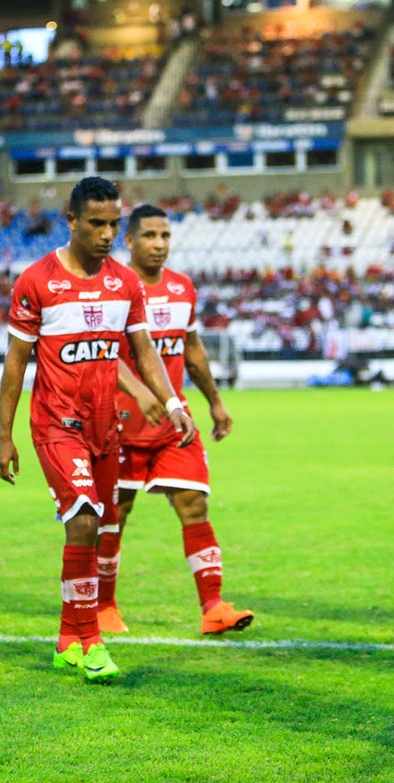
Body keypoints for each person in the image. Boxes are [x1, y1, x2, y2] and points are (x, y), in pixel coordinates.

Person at [0, 176, 196, 684]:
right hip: (57, 425)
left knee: (98, 529)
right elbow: (16, 363)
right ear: (71, 221)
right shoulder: (38, 280)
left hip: (108, 429)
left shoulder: (124, 283)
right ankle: (92, 641)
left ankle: (67, 639)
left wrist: (171, 401)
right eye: (96, 224)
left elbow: (143, 351)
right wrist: (3, 435)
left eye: (112, 225)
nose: (106, 234)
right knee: (83, 520)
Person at [98, 203, 253, 635]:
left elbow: (193, 349)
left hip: (173, 422)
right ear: (128, 240)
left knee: (194, 504)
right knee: (115, 515)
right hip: (119, 422)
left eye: (165, 236)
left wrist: (215, 402)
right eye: (150, 235)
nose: (159, 244)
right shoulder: (111, 286)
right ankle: (104, 607)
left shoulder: (183, 288)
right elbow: (104, 354)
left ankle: (213, 607)